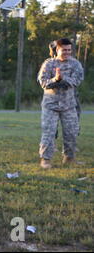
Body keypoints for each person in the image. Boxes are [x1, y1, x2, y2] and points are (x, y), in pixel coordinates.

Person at [37, 38, 84, 169]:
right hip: (50, 105)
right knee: (49, 132)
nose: (67, 52)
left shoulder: (76, 64)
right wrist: (55, 79)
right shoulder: (49, 64)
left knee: (71, 132)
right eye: (64, 50)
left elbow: (76, 81)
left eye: (69, 50)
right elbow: (43, 83)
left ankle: (69, 158)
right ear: (57, 50)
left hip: (68, 105)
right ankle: (45, 160)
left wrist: (63, 79)